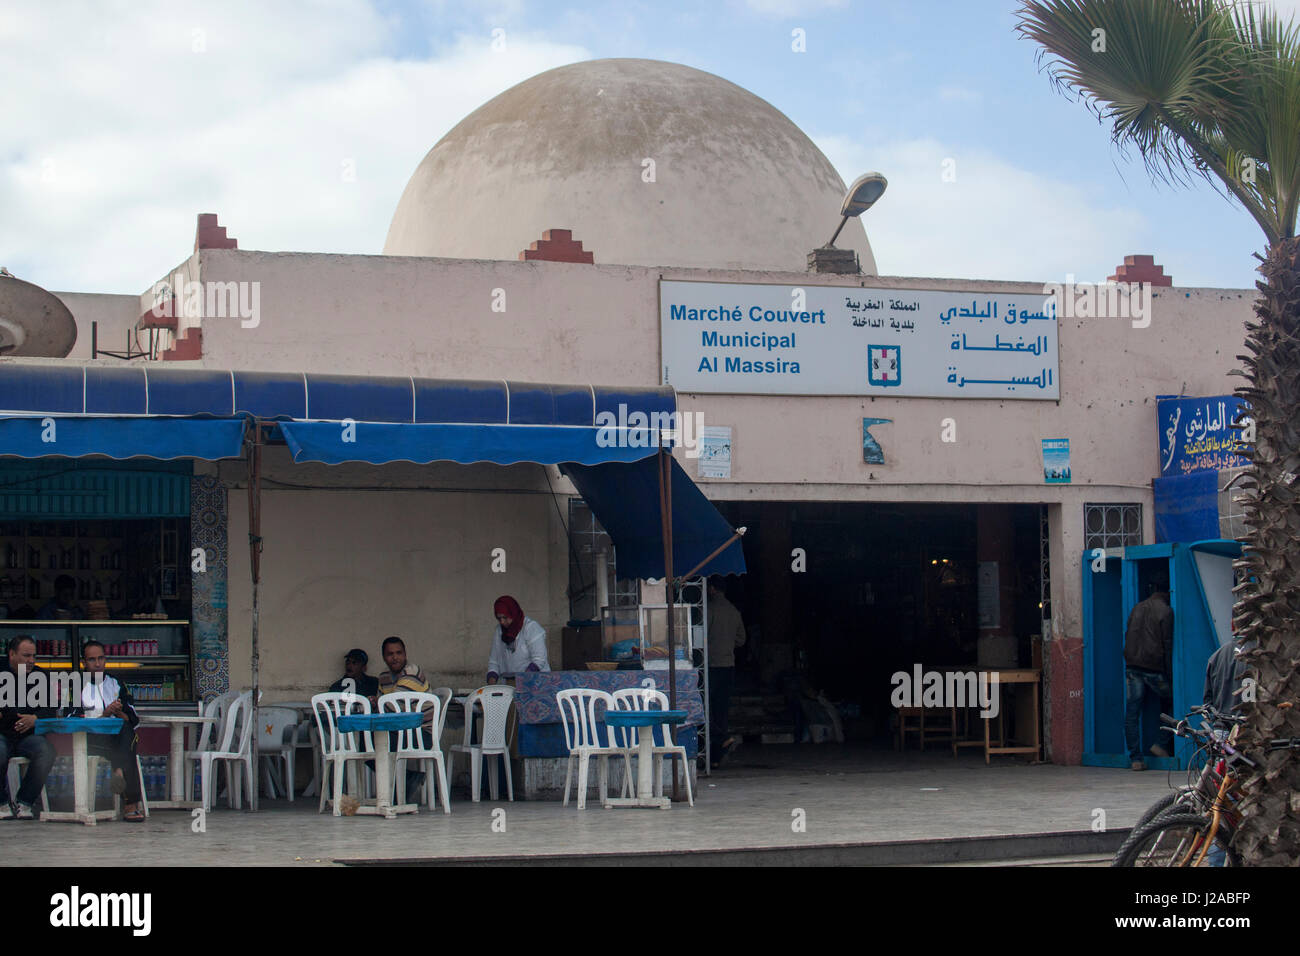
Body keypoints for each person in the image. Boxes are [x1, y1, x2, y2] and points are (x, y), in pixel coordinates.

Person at [78, 641, 145, 822]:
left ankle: (119, 771)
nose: (98, 664)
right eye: (92, 660)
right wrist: (103, 714)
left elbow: (134, 718)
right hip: (90, 741)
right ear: (84, 662)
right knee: (127, 744)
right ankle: (130, 804)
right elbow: (72, 718)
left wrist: (119, 712)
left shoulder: (115, 683)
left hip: (117, 740)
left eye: (101, 658)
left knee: (126, 730)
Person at [1123, 572, 1175, 771]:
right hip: (1153, 668)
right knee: (1173, 702)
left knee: (1132, 713)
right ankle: (1161, 744)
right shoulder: (1166, 611)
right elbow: (1167, 646)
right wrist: (1170, 675)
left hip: (1132, 667)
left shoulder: (1137, 608)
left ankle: (1136, 758)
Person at [0, 636, 56, 819]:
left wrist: (35, 718)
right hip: (2, 734)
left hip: (28, 736)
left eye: (33, 656)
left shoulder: (41, 676)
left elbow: (51, 709)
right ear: (11, 654)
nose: (31, 660)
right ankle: (1, 803)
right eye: (26, 656)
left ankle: (24, 803)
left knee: (46, 751)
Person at [706, 576, 746, 768]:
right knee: (721, 710)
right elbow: (741, 640)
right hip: (728, 664)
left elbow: (700, 636)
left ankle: (720, 740)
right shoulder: (734, 611)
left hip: (711, 665)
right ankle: (715, 758)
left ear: (712, 589)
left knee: (708, 709)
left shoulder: (708, 610)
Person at [486, 596, 549, 683]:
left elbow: (539, 659)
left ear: (513, 613)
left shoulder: (531, 628)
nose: (502, 622)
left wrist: (522, 680)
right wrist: (491, 683)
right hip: (511, 683)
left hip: (536, 683)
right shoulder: (499, 631)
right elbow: (494, 660)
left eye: (505, 617)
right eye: (499, 618)